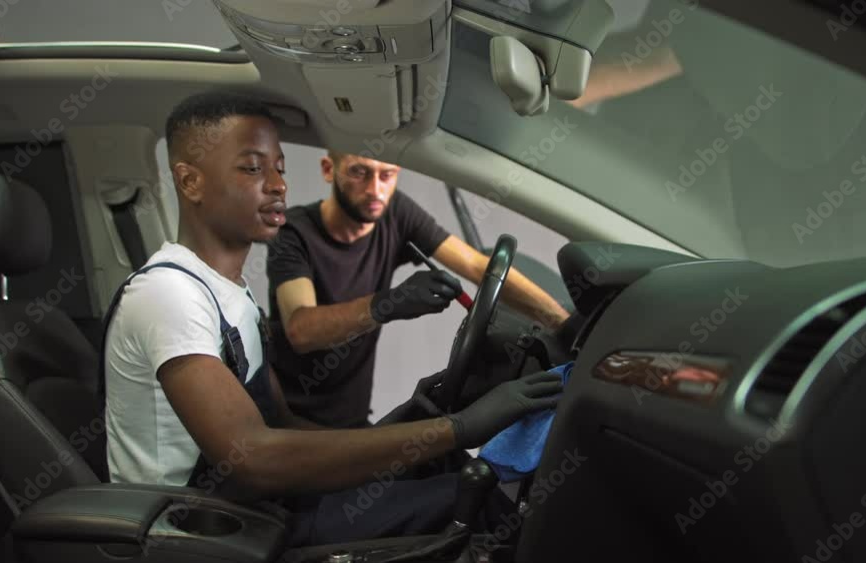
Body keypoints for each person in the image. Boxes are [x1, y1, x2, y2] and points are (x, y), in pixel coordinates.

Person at [101, 91, 564, 547]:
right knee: (481, 501)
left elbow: (281, 424)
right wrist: (456, 429)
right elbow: (253, 457)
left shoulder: (233, 296)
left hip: (253, 510)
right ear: (190, 182)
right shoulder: (170, 294)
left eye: (280, 169)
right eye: (253, 168)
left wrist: (407, 424)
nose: (278, 185)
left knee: (443, 470)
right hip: (198, 535)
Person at [266, 151, 572, 428]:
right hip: (293, 422)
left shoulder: (393, 212)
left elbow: (478, 266)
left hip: (352, 422)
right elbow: (301, 330)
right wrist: (387, 303)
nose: (375, 189)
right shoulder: (294, 233)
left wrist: (565, 326)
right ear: (328, 169)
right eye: (359, 172)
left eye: (387, 175)